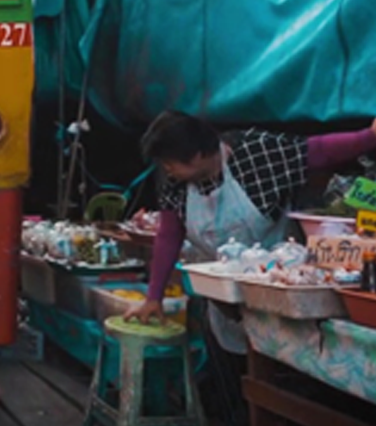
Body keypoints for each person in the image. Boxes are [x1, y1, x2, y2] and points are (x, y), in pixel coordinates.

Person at [126, 111, 376, 337]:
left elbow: (317, 151)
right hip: (223, 299)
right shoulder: (175, 183)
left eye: (170, 162)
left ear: (197, 155)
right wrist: (154, 297)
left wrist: (368, 137)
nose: (167, 169)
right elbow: (169, 235)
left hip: (283, 292)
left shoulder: (256, 153)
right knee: (231, 364)